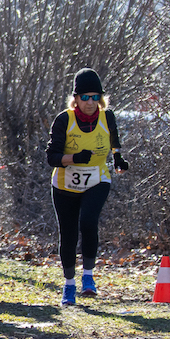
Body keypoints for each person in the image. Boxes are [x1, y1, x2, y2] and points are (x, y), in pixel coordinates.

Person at [46, 68, 129, 305]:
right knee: (69, 233)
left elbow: (114, 140)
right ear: (76, 98)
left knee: (89, 222)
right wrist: (74, 159)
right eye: (85, 97)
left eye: (95, 97)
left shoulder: (107, 116)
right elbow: (52, 157)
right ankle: (69, 284)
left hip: (97, 179)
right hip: (65, 183)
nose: (90, 103)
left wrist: (118, 159)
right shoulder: (64, 120)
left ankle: (89, 278)